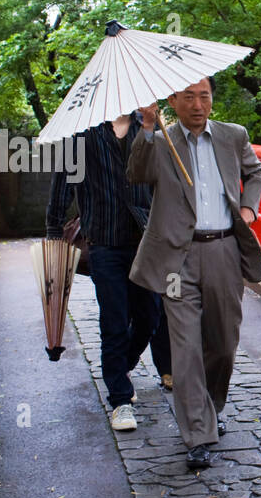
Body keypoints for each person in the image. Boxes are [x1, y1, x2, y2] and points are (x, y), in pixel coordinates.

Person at [128, 77, 261, 469]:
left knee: (222, 343)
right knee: (185, 348)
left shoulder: (232, 136)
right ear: (172, 100)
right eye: (187, 97)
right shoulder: (161, 141)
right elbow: (137, 173)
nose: (197, 104)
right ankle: (197, 435)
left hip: (224, 248)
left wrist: (248, 210)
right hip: (178, 257)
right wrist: (147, 127)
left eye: (203, 95)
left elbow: (256, 174)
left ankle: (210, 407)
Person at [45, 112, 172, 432]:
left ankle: (121, 365)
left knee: (150, 316)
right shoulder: (80, 135)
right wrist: (53, 235)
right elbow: (62, 185)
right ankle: (120, 399)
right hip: (104, 240)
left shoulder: (151, 128)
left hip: (146, 238)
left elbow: (166, 180)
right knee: (114, 320)